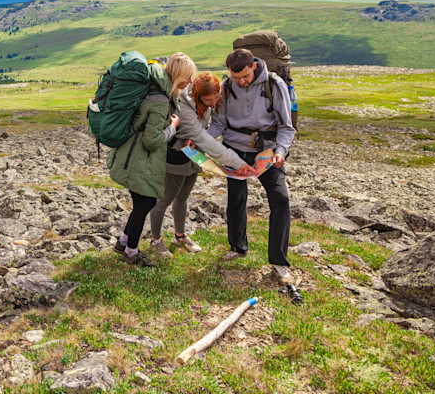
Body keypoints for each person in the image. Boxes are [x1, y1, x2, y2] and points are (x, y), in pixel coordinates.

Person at [207, 48, 296, 284]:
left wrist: (280, 151)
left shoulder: (274, 85)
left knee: (281, 199)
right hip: (234, 149)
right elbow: (218, 124)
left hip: (267, 151)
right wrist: (201, 140)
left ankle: (279, 262)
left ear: (254, 66)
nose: (241, 82)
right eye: (235, 77)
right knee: (236, 198)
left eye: (244, 76)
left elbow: (286, 126)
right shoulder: (226, 87)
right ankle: (237, 247)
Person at [148, 72, 254, 258]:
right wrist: (237, 163)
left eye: (216, 98)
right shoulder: (185, 106)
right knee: (164, 199)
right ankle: (155, 241)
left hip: (194, 155)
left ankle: (179, 236)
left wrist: (199, 139)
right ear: (198, 97)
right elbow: (204, 139)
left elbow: (204, 133)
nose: (213, 103)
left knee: (183, 197)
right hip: (176, 155)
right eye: (208, 100)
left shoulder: (206, 103)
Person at [108, 52, 195, 267]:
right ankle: (131, 253)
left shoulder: (158, 90)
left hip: (131, 155)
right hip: (137, 158)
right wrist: (172, 128)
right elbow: (152, 140)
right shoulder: (160, 101)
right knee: (144, 204)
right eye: (187, 77)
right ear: (178, 76)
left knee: (144, 203)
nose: (190, 81)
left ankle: (123, 242)